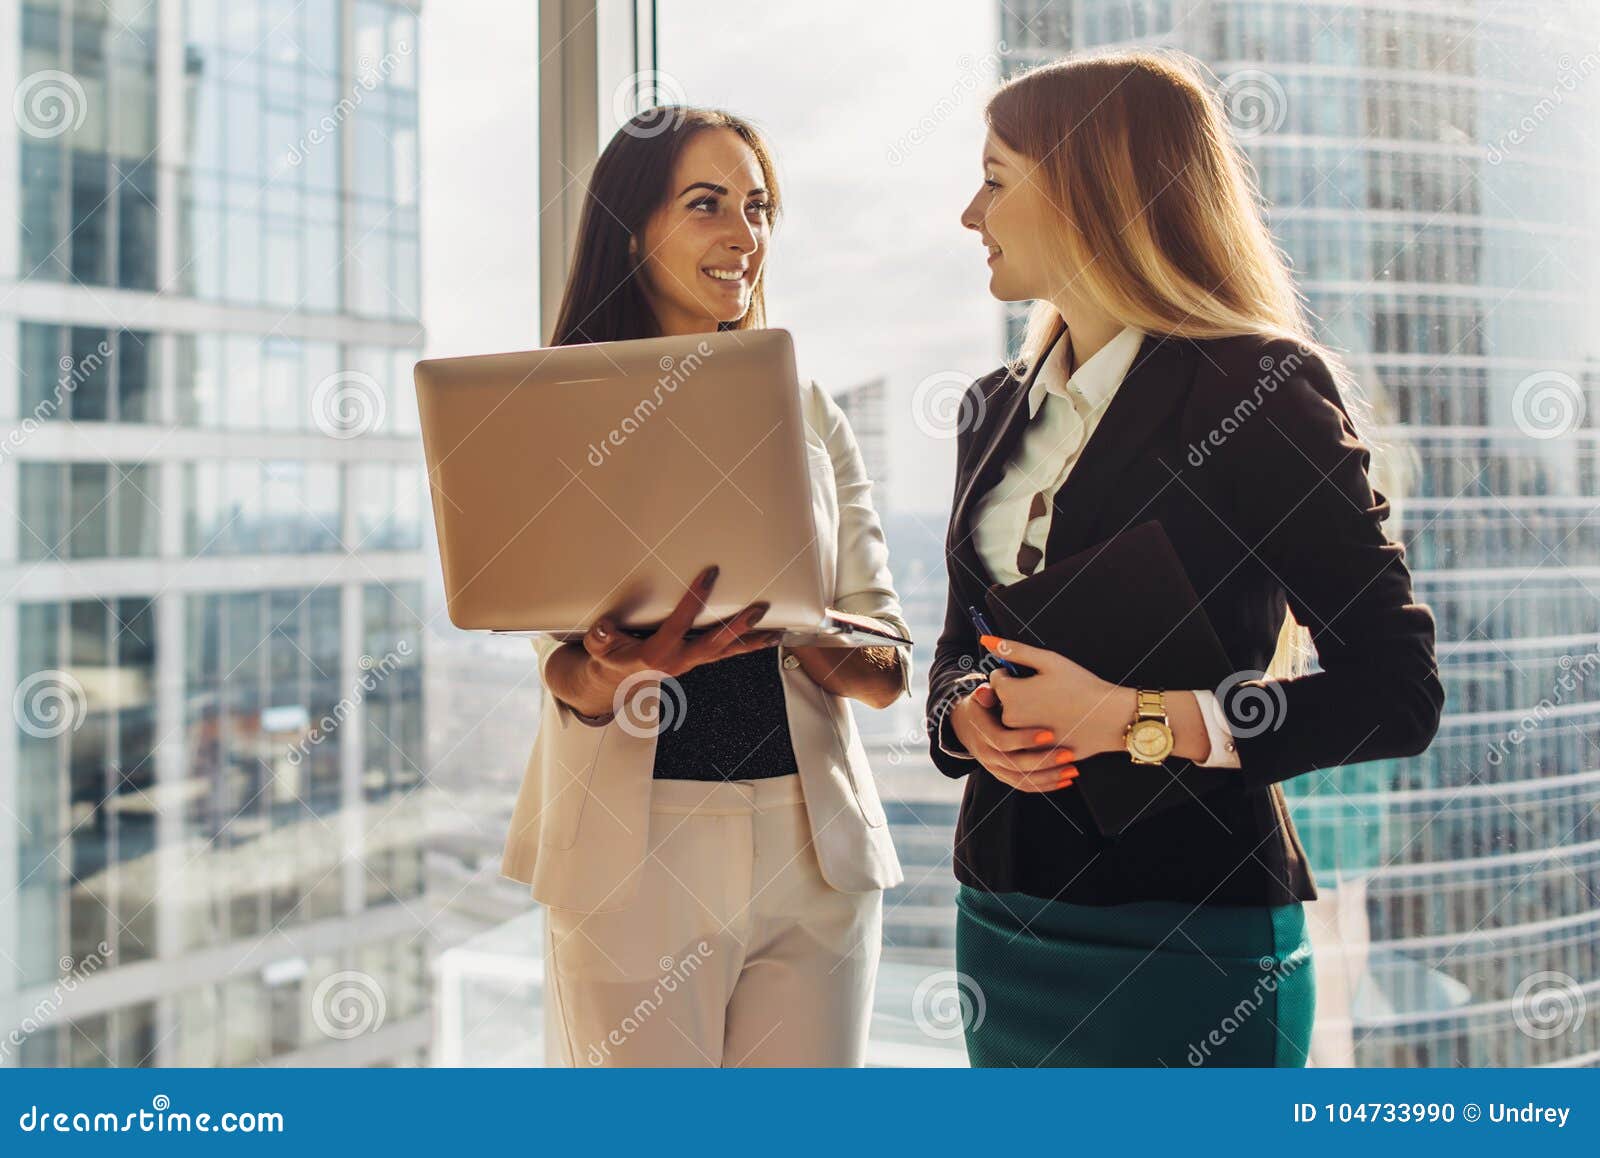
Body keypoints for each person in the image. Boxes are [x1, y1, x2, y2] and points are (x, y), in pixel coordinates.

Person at [926, 51, 1444, 1067]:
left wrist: (1133, 722)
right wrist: (965, 717)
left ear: (1091, 192)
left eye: (994, 179)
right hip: (1001, 913)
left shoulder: (1259, 393)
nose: (967, 214)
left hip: (1188, 936)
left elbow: (1397, 691)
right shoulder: (991, 408)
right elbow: (958, 647)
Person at [500, 107, 910, 1067]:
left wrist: (799, 630)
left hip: (814, 855)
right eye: (707, 205)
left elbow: (887, 666)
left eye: (759, 206)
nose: (745, 235)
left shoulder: (809, 409)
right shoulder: (557, 410)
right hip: (632, 858)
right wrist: (620, 670)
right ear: (629, 228)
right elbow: (561, 668)